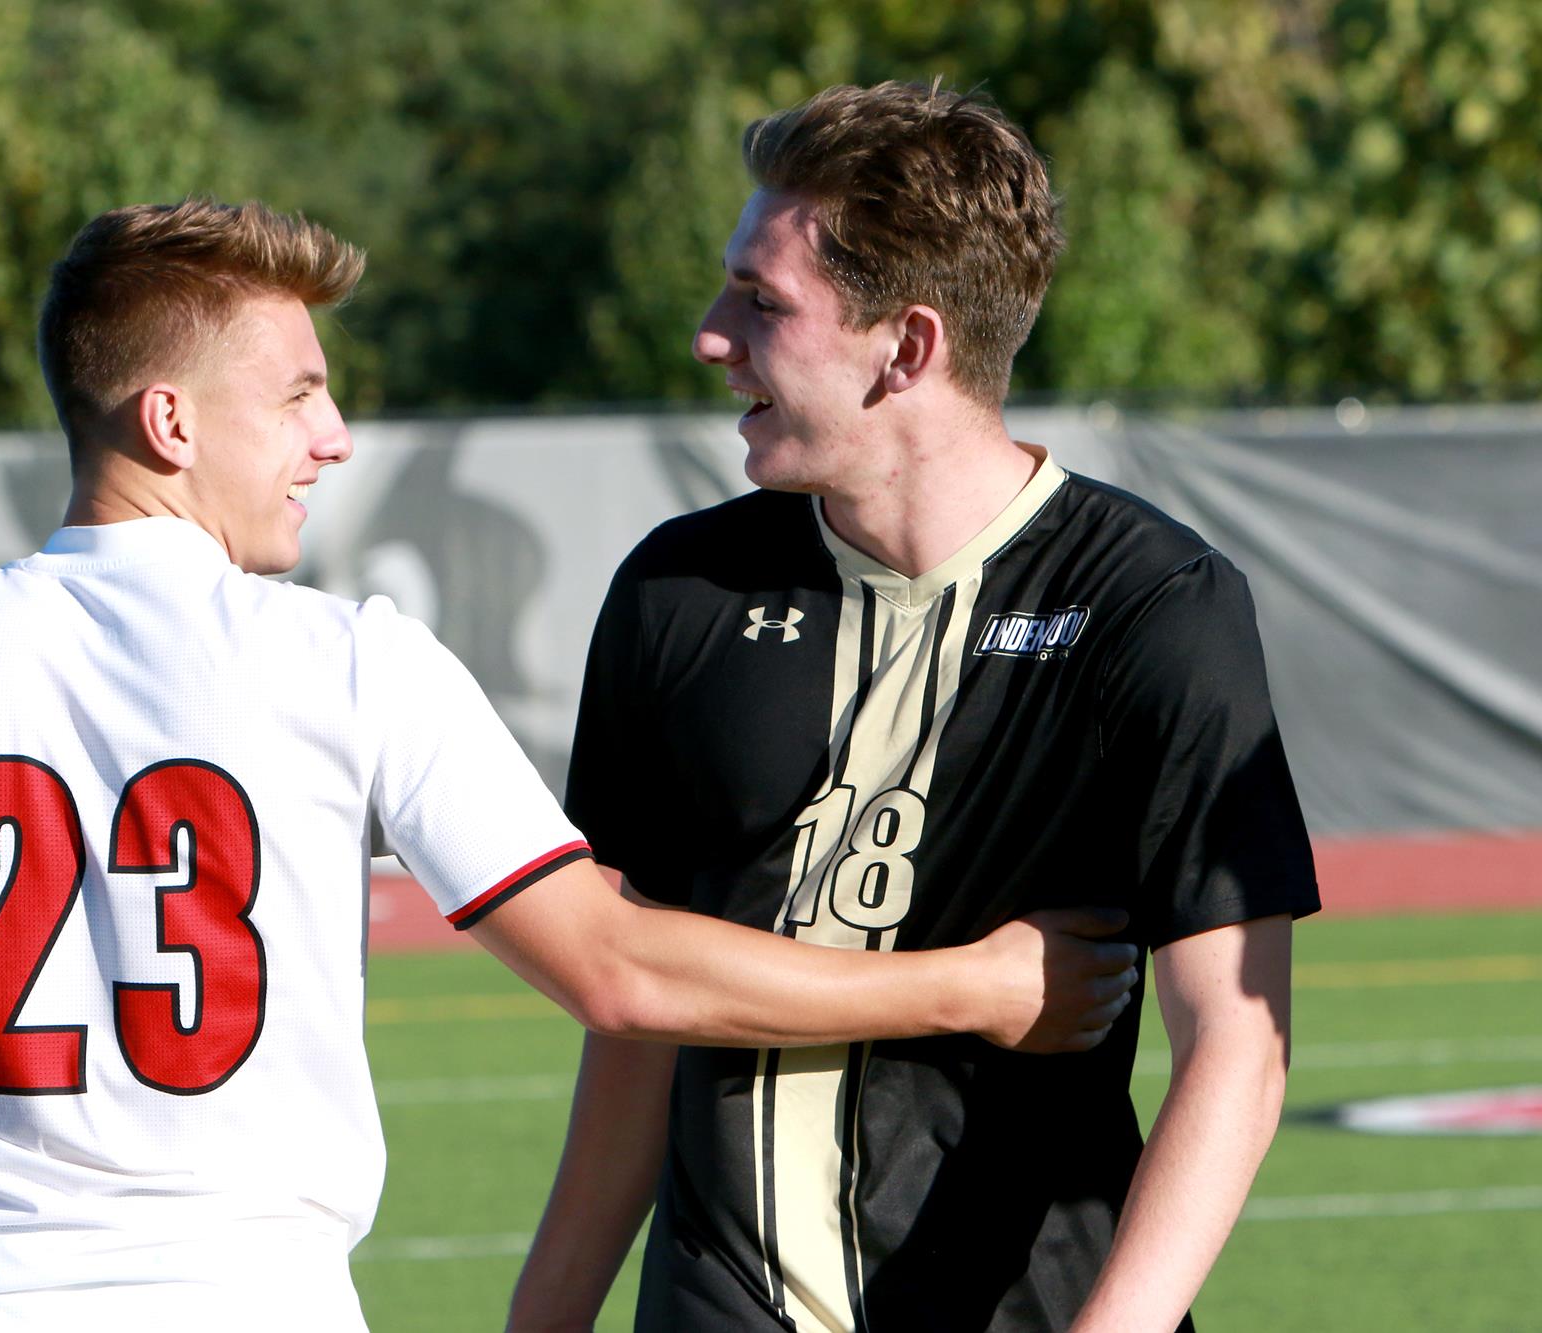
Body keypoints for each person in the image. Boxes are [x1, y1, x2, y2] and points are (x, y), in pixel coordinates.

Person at [0, 197, 1139, 1332]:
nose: (336, 435)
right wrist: (977, 986)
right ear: (170, 421)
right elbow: (614, 971)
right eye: (298, 393)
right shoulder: (347, 659)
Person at [510, 83, 1321, 1333]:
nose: (709, 335)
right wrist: (546, 1318)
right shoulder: (675, 592)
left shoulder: (1154, 601)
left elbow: (1236, 1044)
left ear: (908, 347)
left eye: (761, 302)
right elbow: (636, 1010)